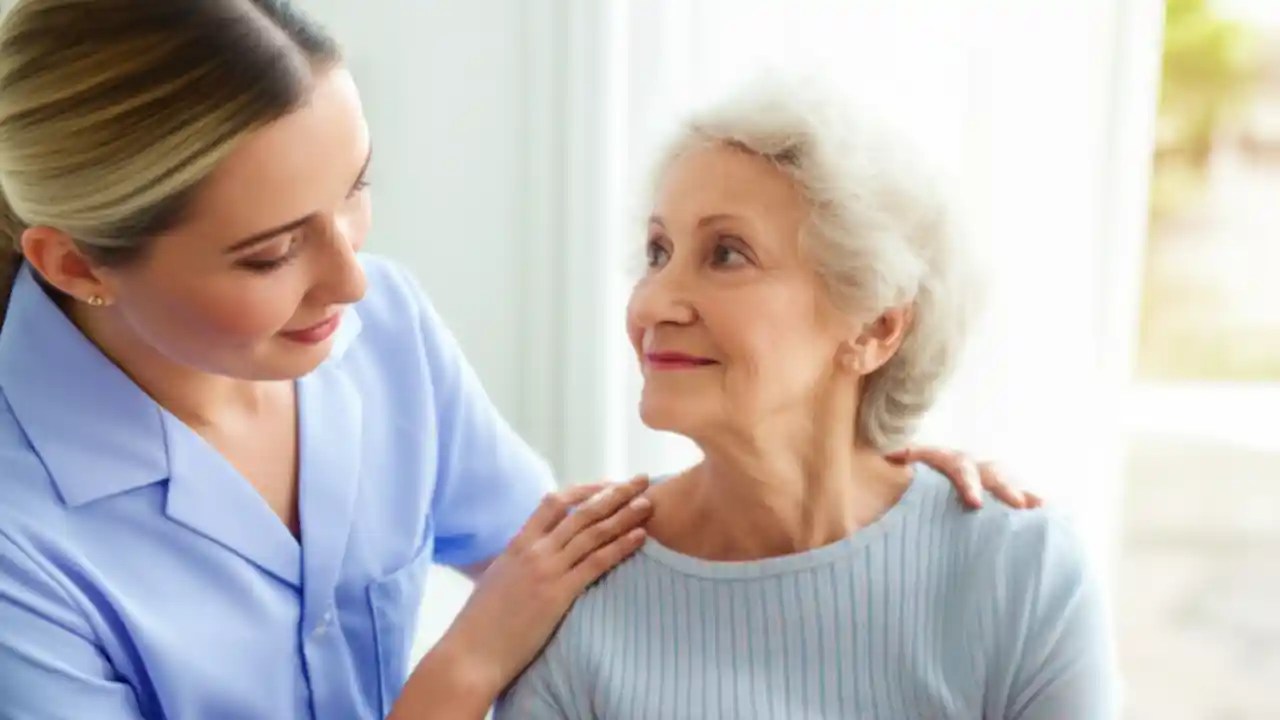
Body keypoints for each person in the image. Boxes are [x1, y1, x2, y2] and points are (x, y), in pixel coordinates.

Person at [0, 2, 1034, 718]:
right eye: (271, 252)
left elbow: (561, 559)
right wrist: (466, 665)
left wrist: (859, 478)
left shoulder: (380, 335)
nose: (352, 279)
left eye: (356, 189)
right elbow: (513, 613)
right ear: (76, 263)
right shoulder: (21, 549)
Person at [497, 77, 1118, 719]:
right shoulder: (578, 584)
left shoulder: (1019, 570)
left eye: (726, 254)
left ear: (875, 327)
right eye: (659, 252)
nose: (651, 303)